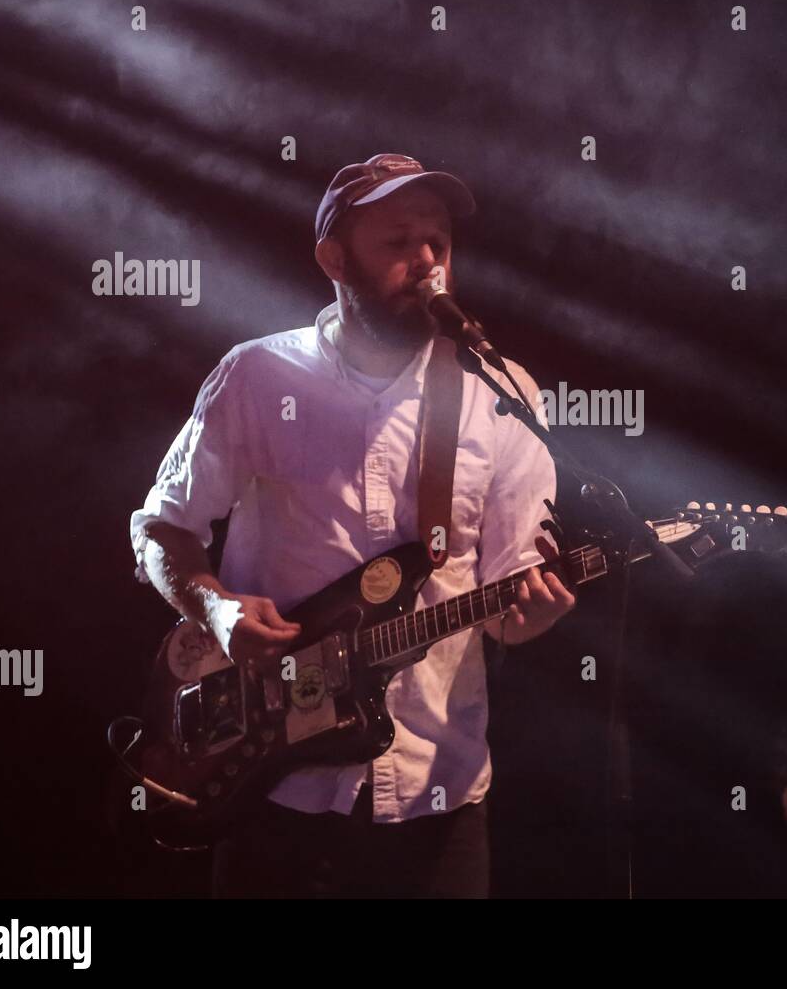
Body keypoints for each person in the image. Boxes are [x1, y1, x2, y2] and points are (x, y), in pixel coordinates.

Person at [130, 152, 576, 898]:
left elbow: (507, 609)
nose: (427, 260)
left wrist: (536, 615)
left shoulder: (501, 397)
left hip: (437, 790)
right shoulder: (258, 377)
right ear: (333, 259)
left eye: (437, 241)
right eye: (398, 242)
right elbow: (160, 526)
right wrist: (214, 606)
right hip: (272, 788)